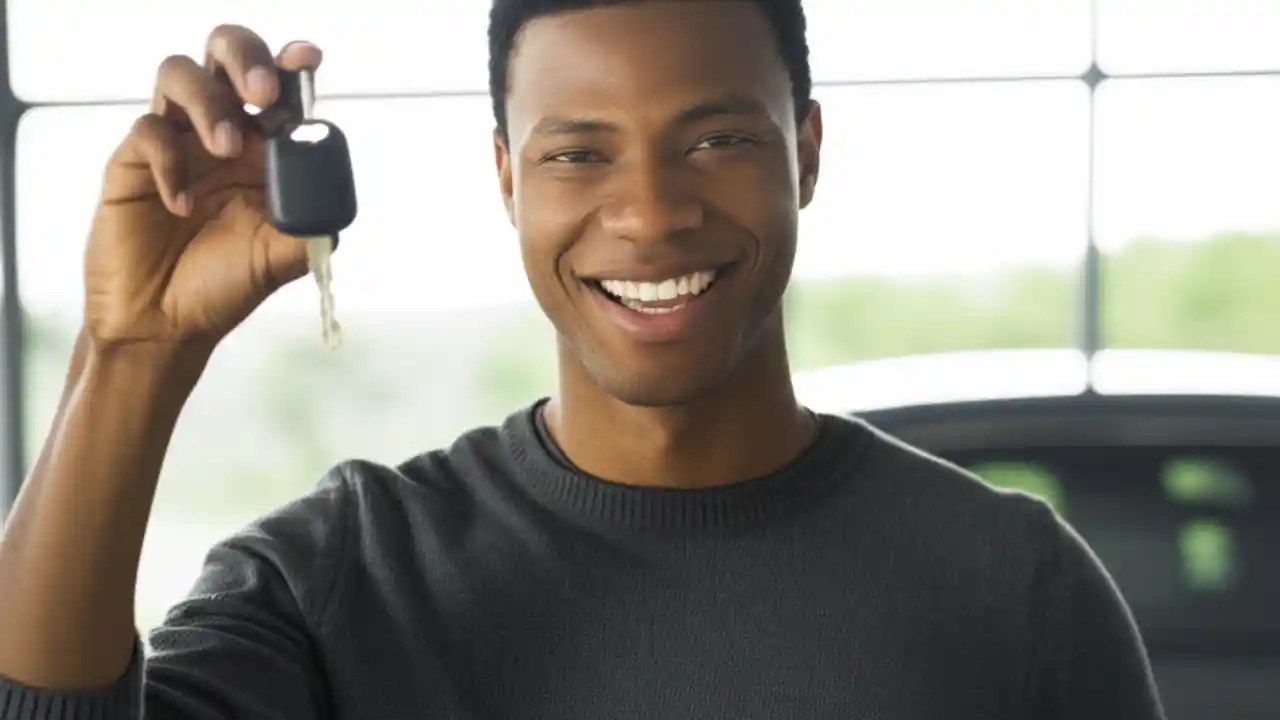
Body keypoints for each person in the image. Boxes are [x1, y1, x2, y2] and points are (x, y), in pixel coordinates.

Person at [0, 2, 1166, 718]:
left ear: (804, 153)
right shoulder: (339, 579)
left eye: (715, 139)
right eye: (578, 154)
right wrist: (132, 353)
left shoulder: (1015, 587)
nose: (650, 214)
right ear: (505, 177)